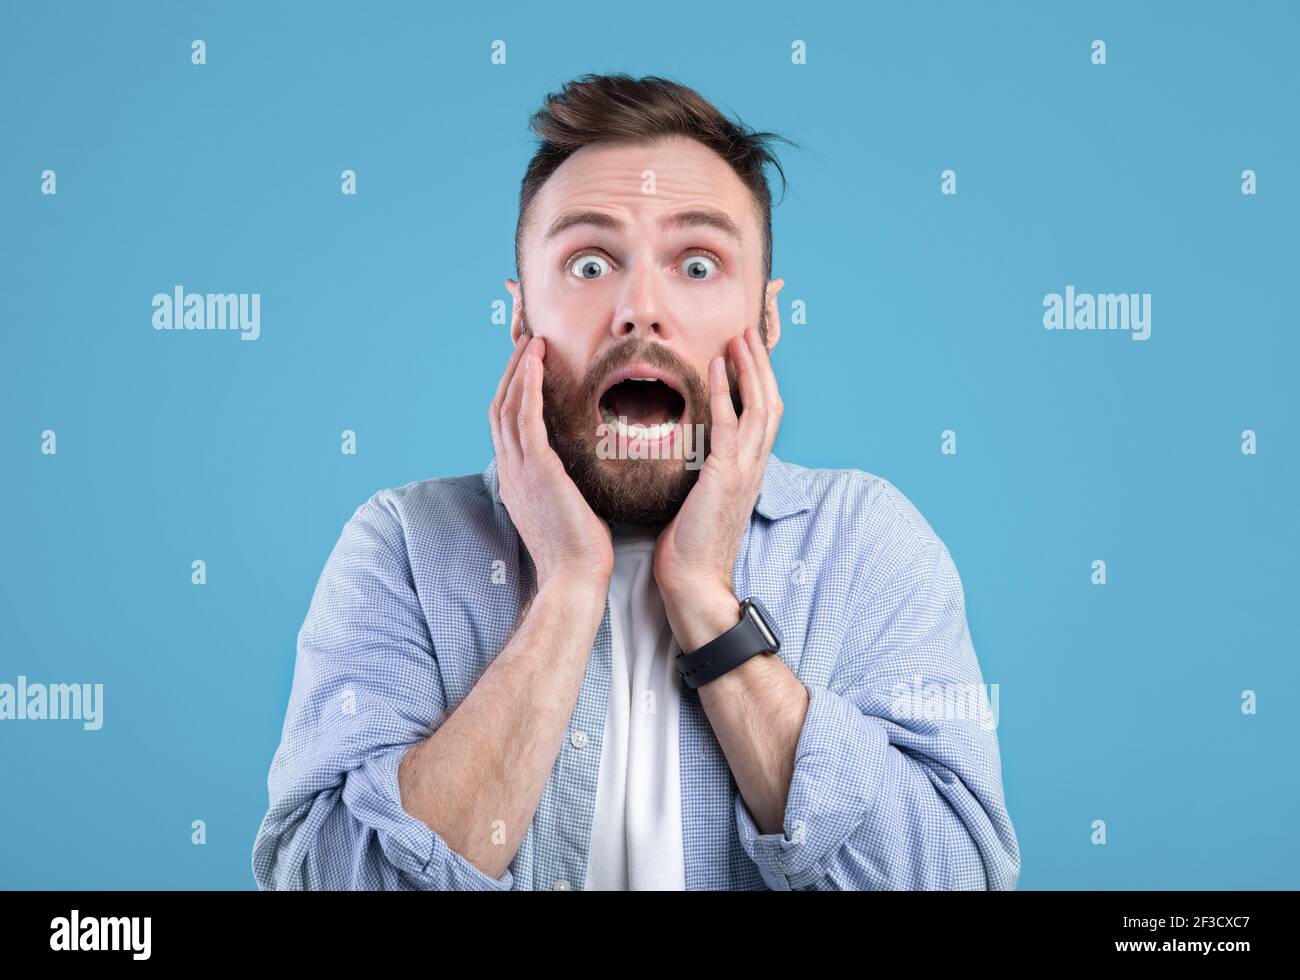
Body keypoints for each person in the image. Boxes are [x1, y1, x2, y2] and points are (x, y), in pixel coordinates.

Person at [252, 72, 1020, 891]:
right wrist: (568, 590)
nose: (639, 309)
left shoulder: (867, 540)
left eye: (697, 264)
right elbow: (328, 879)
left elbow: (955, 878)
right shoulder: (404, 545)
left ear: (766, 320)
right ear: (521, 320)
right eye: (588, 264)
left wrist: (702, 597)